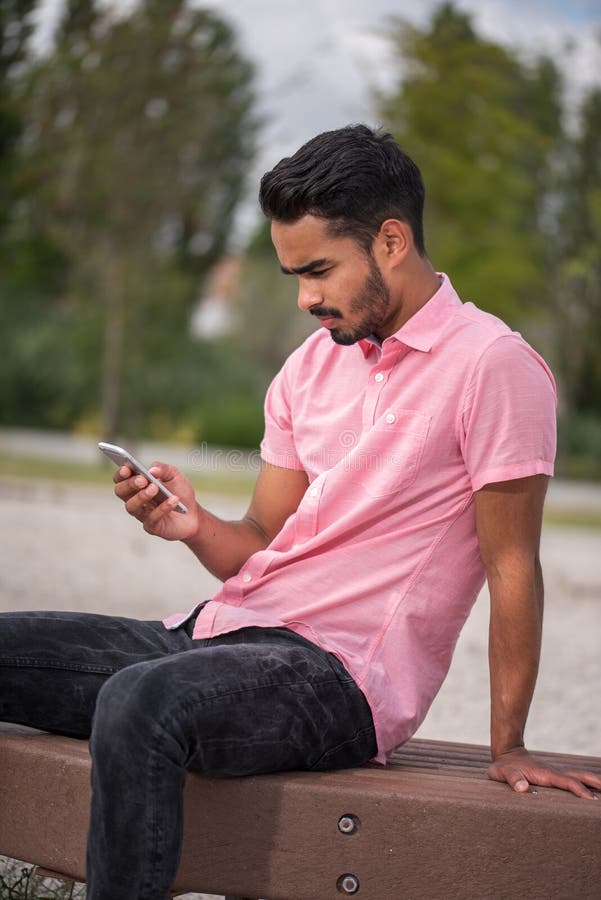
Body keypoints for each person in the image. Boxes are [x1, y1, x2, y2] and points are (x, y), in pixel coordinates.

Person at [1, 124, 599, 900]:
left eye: (318, 270)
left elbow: (511, 564)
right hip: (217, 636)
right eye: (292, 274)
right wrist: (190, 525)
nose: (305, 298)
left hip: (339, 677)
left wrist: (508, 744)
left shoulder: (493, 365)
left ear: (391, 240)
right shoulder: (308, 367)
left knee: (139, 699)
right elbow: (255, 542)